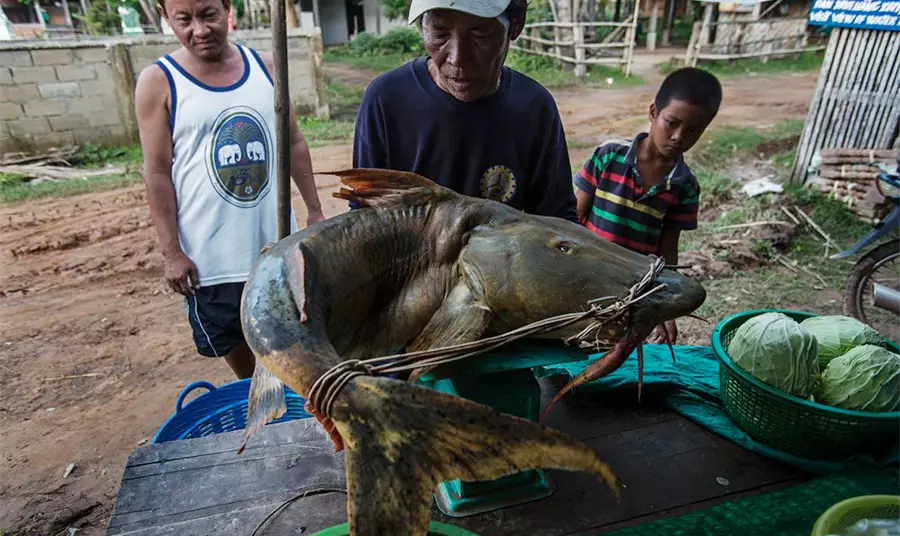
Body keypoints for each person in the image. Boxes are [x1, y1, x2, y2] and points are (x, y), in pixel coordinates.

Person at [134, 0, 325, 379]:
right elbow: (157, 173)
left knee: (293, 347)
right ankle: (252, 397)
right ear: (165, 18)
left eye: (209, 15)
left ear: (227, 10)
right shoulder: (159, 81)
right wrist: (171, 251)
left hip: (274, 249)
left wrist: (315, 211)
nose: (200, 30)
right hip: (210, 261)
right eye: (184, 20)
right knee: (238, 355)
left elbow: (295, 143)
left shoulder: (267, 68)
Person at [351, 0, 578, 222]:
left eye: (480, 34)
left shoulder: (534, 108)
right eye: (440, 33)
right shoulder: (386, 100)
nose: (458, 58)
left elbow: (557, 220)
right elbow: (364, 221)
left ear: (516, 24)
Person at [573, 67, 722, 344]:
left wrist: (667, 309)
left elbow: (668, 248)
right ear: (653, 113)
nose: (679, 137)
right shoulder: (609, 155)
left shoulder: (685, 186)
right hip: (584, 274)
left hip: (633, 289)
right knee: (573, 339)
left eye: (693, 130)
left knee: (616, 350)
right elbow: (573, 216)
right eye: (671, 123)